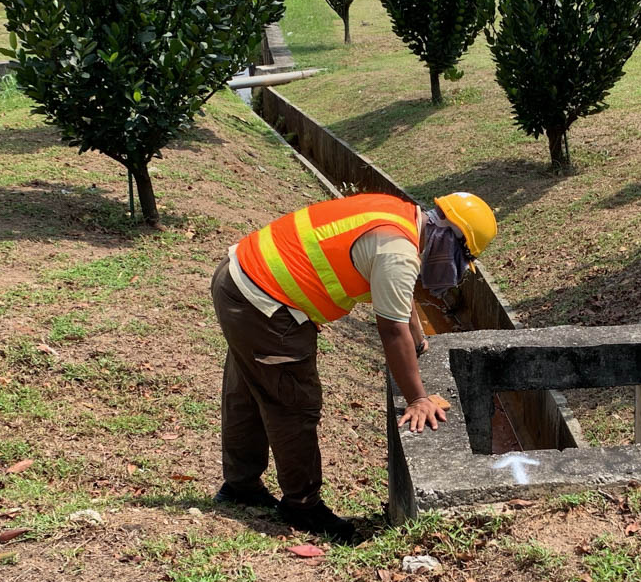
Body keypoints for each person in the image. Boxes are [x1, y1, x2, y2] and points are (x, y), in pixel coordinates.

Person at [209, 191, 497, 544]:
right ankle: (302, 505)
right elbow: (391, 330)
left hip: (240, 276)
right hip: (264, 300)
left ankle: (241, 485)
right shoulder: (399, 252)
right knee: (292, 403)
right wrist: (418, 398)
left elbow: (397, 292)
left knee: (250, 389)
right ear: (449, 236)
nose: (459, 267)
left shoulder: (403, 217)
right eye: (463, 256)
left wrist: (418, 334)